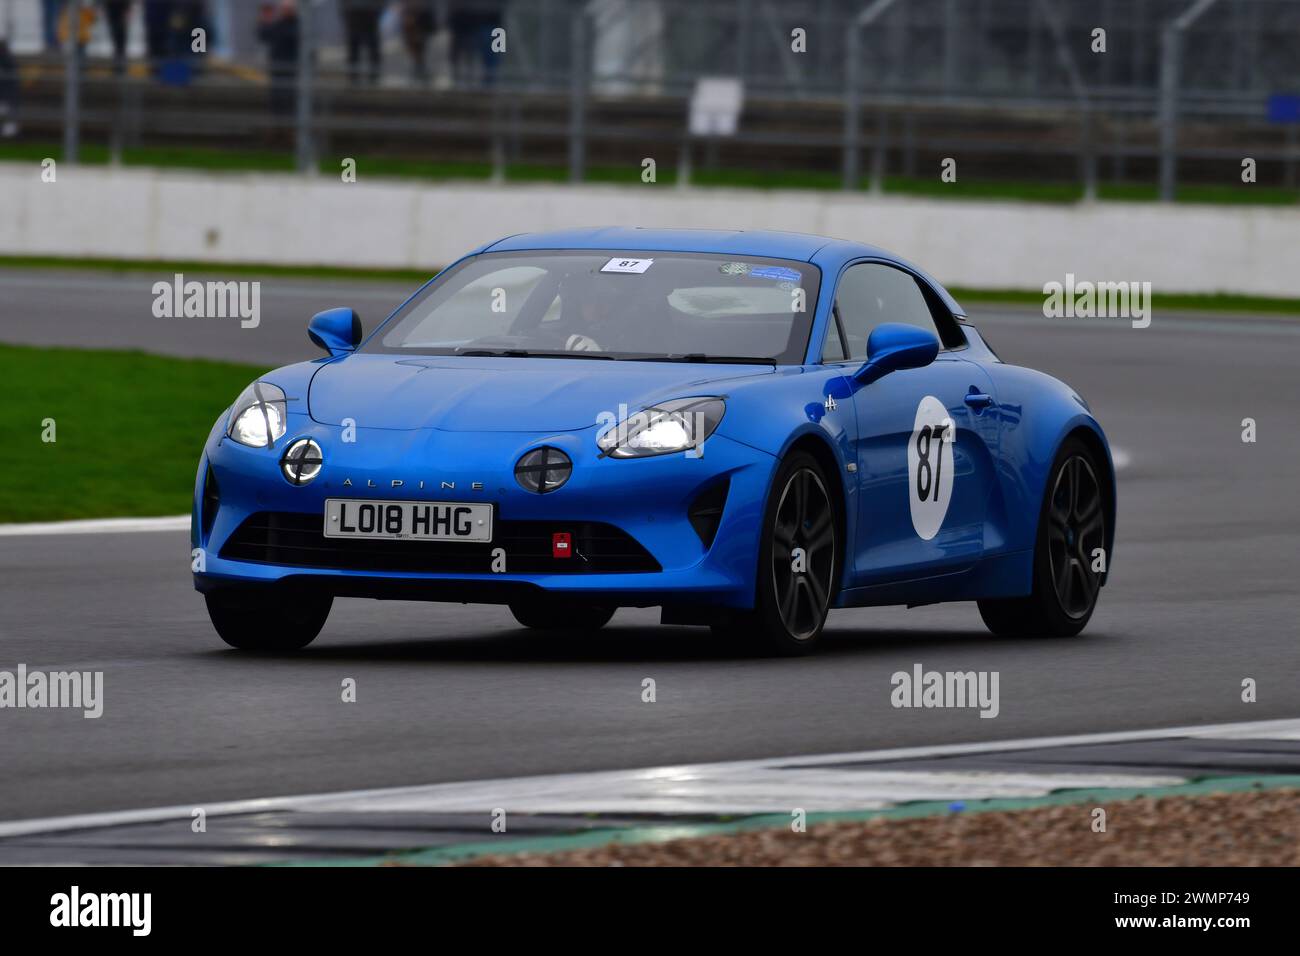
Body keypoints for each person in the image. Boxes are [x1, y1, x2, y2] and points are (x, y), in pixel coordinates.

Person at [258, 0, 299, 116]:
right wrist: (264, 22)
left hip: (292, 70)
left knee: (290, 101)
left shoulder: (297, 26)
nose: (285, 11)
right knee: (278, 101)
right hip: (278, 69)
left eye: (288, 8)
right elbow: (263, 35)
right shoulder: (279, 25)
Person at [340, 0, 384, 86]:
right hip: (355, 11)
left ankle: (373, 77)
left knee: (371, 46)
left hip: (369, 11)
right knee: (354, 47)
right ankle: (354, 77)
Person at [400, 0, 434, 84]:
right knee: (413, 60)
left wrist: (421, 35)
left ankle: (423, 77)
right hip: (411, 40)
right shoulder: (406, 12)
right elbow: (404, 28)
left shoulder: (426, 13)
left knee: (420, 60)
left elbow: (431, 28)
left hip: (422, 41)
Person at [101, 0, 133, 75]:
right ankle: (118, 68)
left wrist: (127, 12)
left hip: (119, 14)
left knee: (120, 43)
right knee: (118, 43)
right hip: (115, 13)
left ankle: (120, 68)